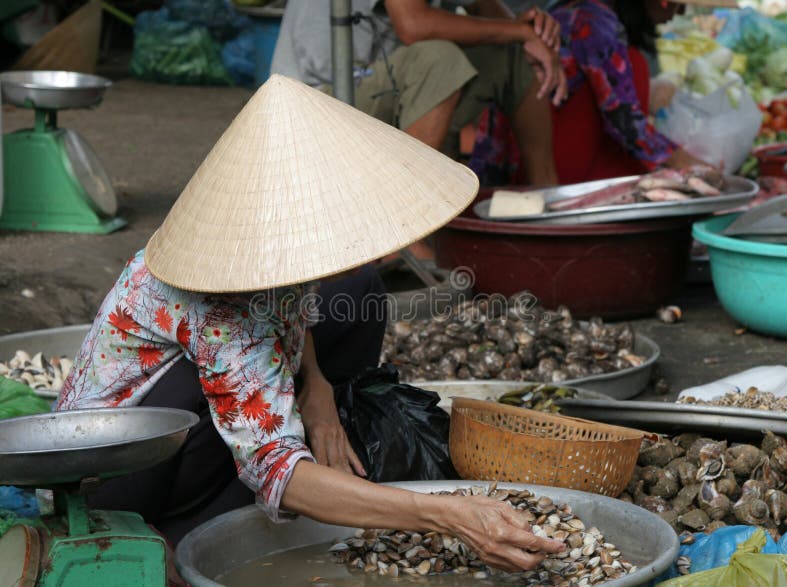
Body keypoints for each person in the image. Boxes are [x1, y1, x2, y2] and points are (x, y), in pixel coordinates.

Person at [56, 75, 565, 571]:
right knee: (228, 404)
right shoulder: (221, 298)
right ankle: (172, 531)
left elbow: (295, 315)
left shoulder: (275, 247)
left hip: (219, 402)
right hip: (119, 474)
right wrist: (447, 515)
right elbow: (276, 469)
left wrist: (317, 392)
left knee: (359, 286)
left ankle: (327, 475)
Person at [271, 0, 567, 188]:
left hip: (381, 87)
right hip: (312, 104)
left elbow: (484, 8)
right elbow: (413, 24)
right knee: (440, 60)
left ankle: (546, 197)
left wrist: (529, 31)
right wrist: (519, 32)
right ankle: (403, 237)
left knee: (516, 52)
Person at [469, 0, 725, 186]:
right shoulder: (592, 21)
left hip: (528, 157)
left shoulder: (573, 12)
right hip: (544, 162)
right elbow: (625, 121)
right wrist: (689, 164)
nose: (679, 12)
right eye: (677, 4)